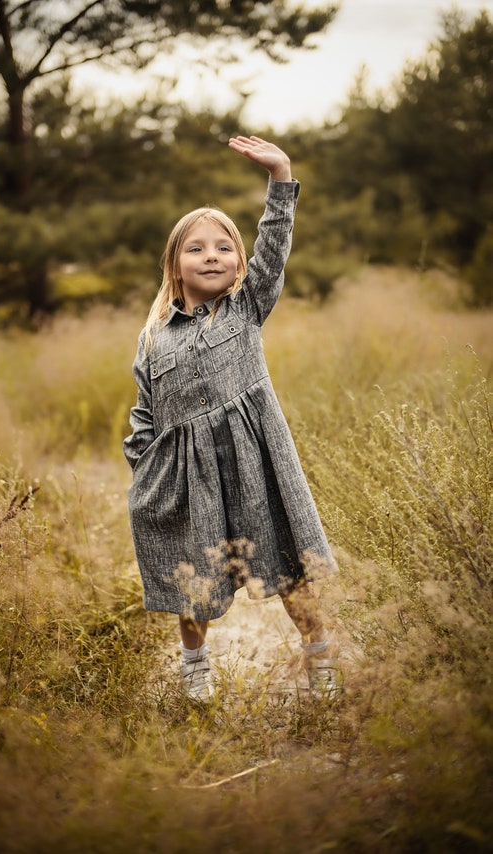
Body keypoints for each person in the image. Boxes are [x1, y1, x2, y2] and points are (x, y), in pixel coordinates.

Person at [123, 135, 339, 703]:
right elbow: (144, 411)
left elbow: (275, 246)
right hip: (188, 480)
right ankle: (195, 672)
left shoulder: (245, 310)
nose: (212, 255)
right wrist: (144, 461)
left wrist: (281, 178)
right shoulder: (151, 340)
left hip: (254, 468)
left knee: (289, 566)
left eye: (223, 247)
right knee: (190, 577)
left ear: (240, 264)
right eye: (196, 249)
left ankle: (321, 663)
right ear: (175, 263)